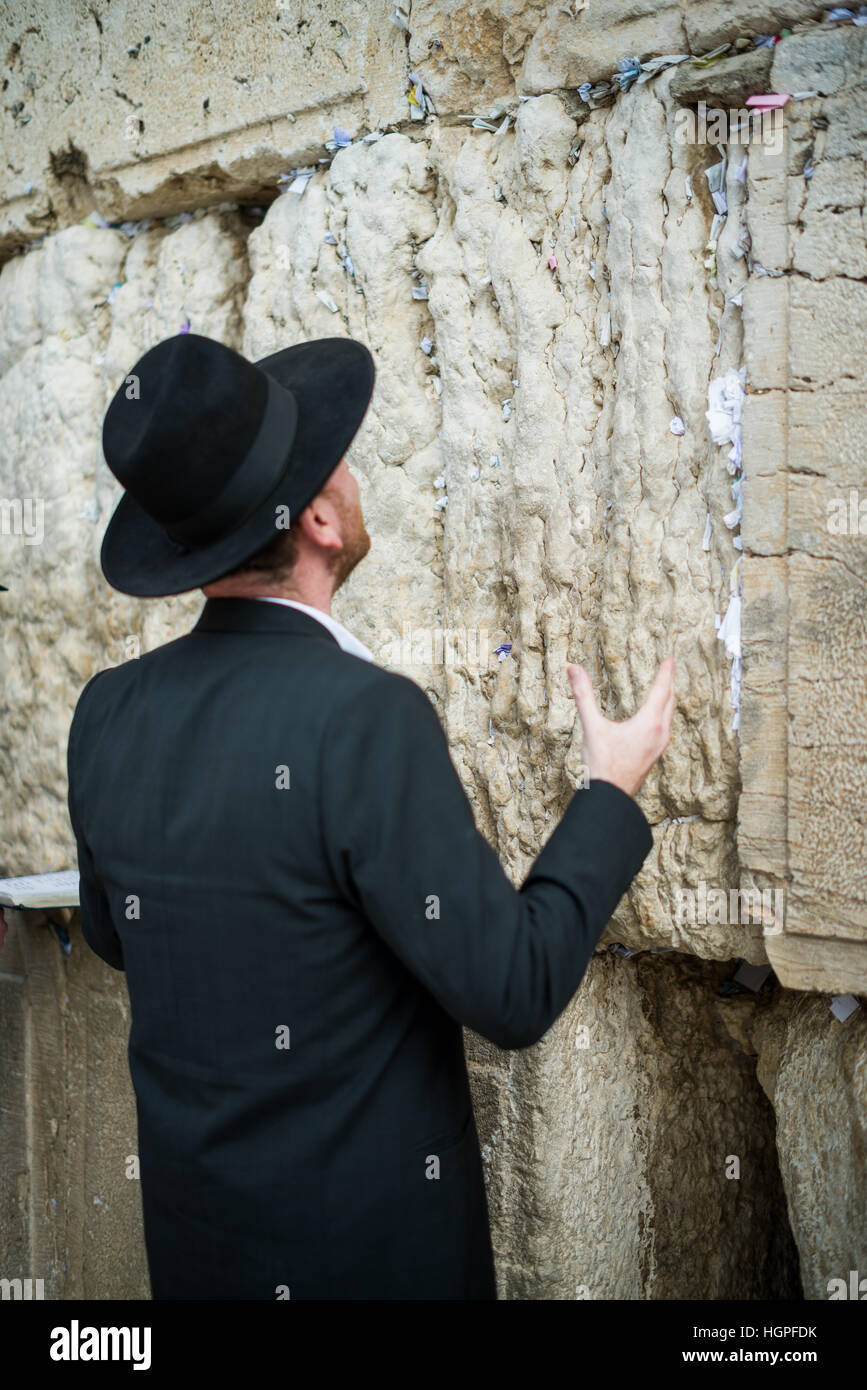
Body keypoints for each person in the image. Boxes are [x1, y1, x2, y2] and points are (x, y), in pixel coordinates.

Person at [67, 331, 674, 1300]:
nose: (351, 472)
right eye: (333, 457)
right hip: (370, 1260)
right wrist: (609, 793)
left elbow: (114, 930)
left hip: (198, 1248)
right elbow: (511, 989)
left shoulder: (109, 709)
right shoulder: (362, 714)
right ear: (317, 516)